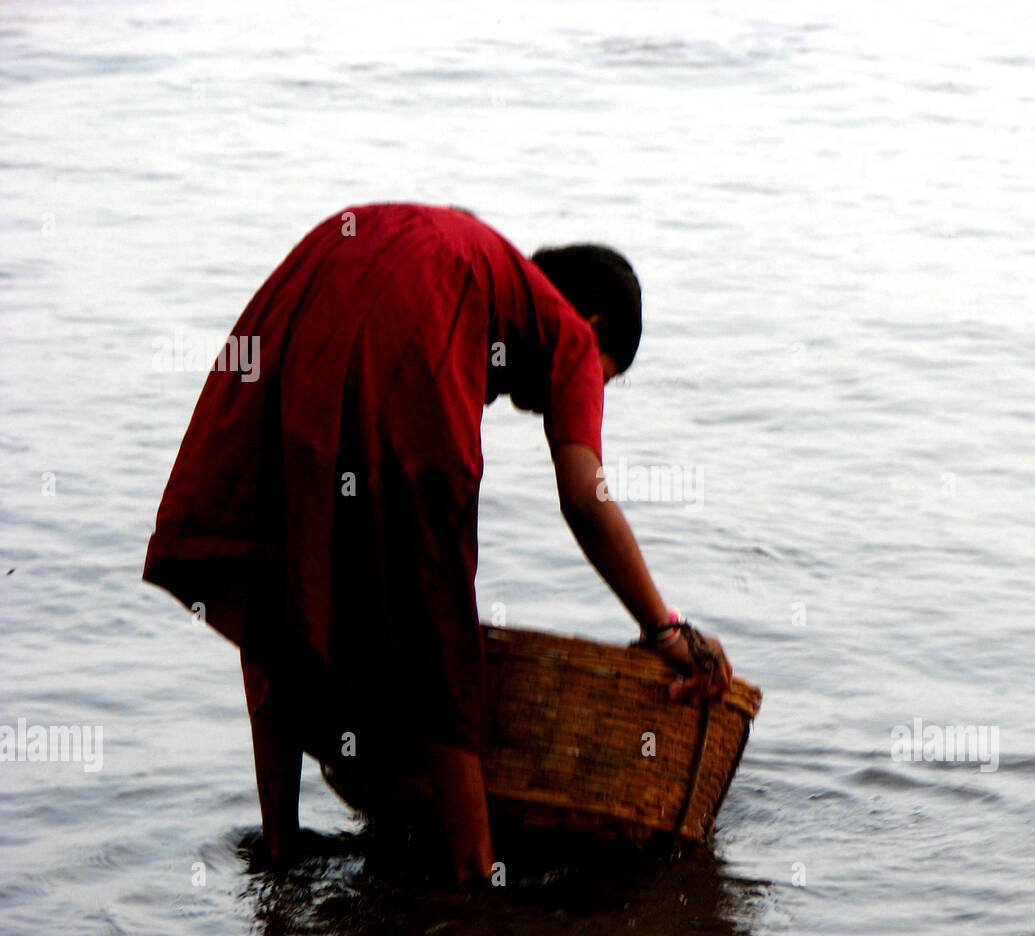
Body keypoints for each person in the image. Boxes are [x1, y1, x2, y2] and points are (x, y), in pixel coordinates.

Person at [142, 203, 732, 883]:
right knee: (439, 624)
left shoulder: (479, 260)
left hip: (307, 286)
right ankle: (476, 883)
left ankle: (281, 849)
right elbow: (582, 495)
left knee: (283, 569)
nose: (590, 391)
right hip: (400, 309)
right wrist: (663, 626)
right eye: (606, 377)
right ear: (594, 326)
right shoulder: (569, 328)